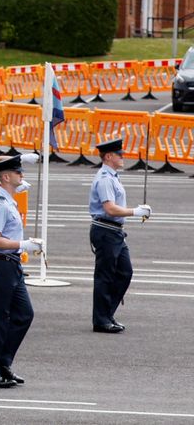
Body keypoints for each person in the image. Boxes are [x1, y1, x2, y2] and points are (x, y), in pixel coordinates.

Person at [0, 155, 42, 389]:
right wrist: (22, 245)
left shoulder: (9, 202)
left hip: (11, 264)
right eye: (18, 172)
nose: (21, 175)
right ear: (6, 177)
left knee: (24, 314)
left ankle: (2, 363)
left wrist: (21, 245)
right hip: (0, 263)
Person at [90, 137, 151, 334]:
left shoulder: (113, 176)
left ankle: (107, 314)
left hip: (114, 231)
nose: (122, 157)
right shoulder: (105, 179)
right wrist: (135, 211)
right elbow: (110, 209)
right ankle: (101, 319)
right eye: (119, 154)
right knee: (105, 276)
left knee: (125, 272)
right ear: (108, 156)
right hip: (106, 229)